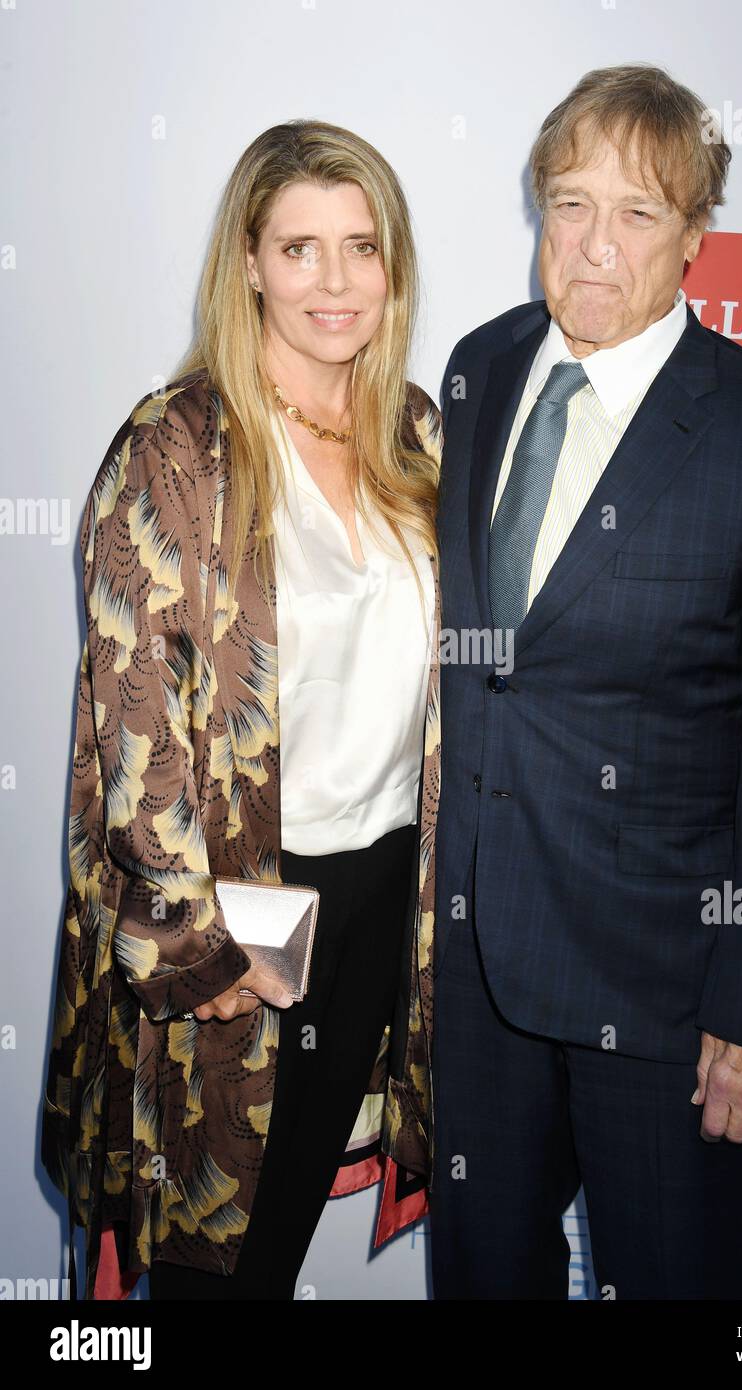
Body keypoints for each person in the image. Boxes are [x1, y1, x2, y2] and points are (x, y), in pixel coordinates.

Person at [430, 64, 742, 1299]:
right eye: (571, 204)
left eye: (637, 213)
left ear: (696, 240)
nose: (596, 247)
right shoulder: (480, 369)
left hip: (667, 1005)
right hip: (474, 983)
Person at [40, 119, 442, 1301]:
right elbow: (136, 728)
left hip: (382, 902)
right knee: (214, 1266)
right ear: (251, 263)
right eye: (300, 247)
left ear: (393, 267)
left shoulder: (417, 433)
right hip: (232, 922)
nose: (335, 281)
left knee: (271, 1253)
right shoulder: (177, 448)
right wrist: (193, 940)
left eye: (361, 248)